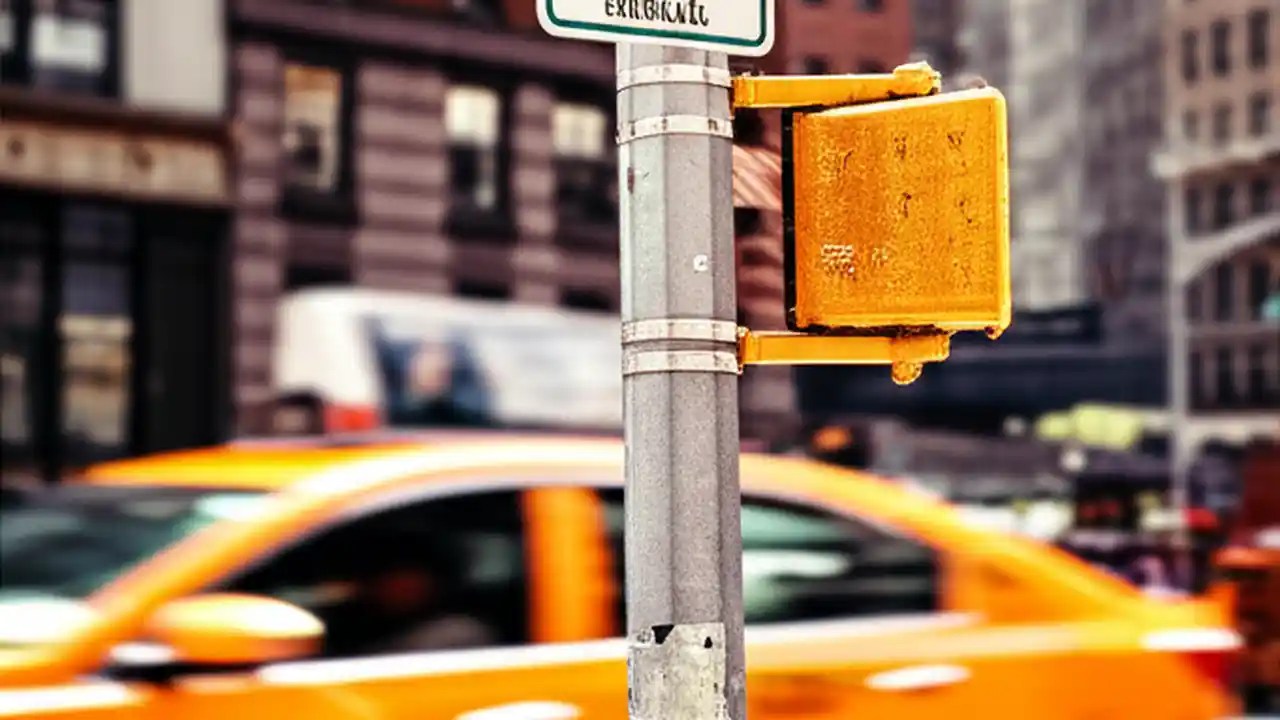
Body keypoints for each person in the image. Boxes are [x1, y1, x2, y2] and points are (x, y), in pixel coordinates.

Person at [341, 542, 495, 655]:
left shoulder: (459, 632)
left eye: (406, 584)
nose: (395, 590)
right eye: (388, 582)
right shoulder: (368, 629)